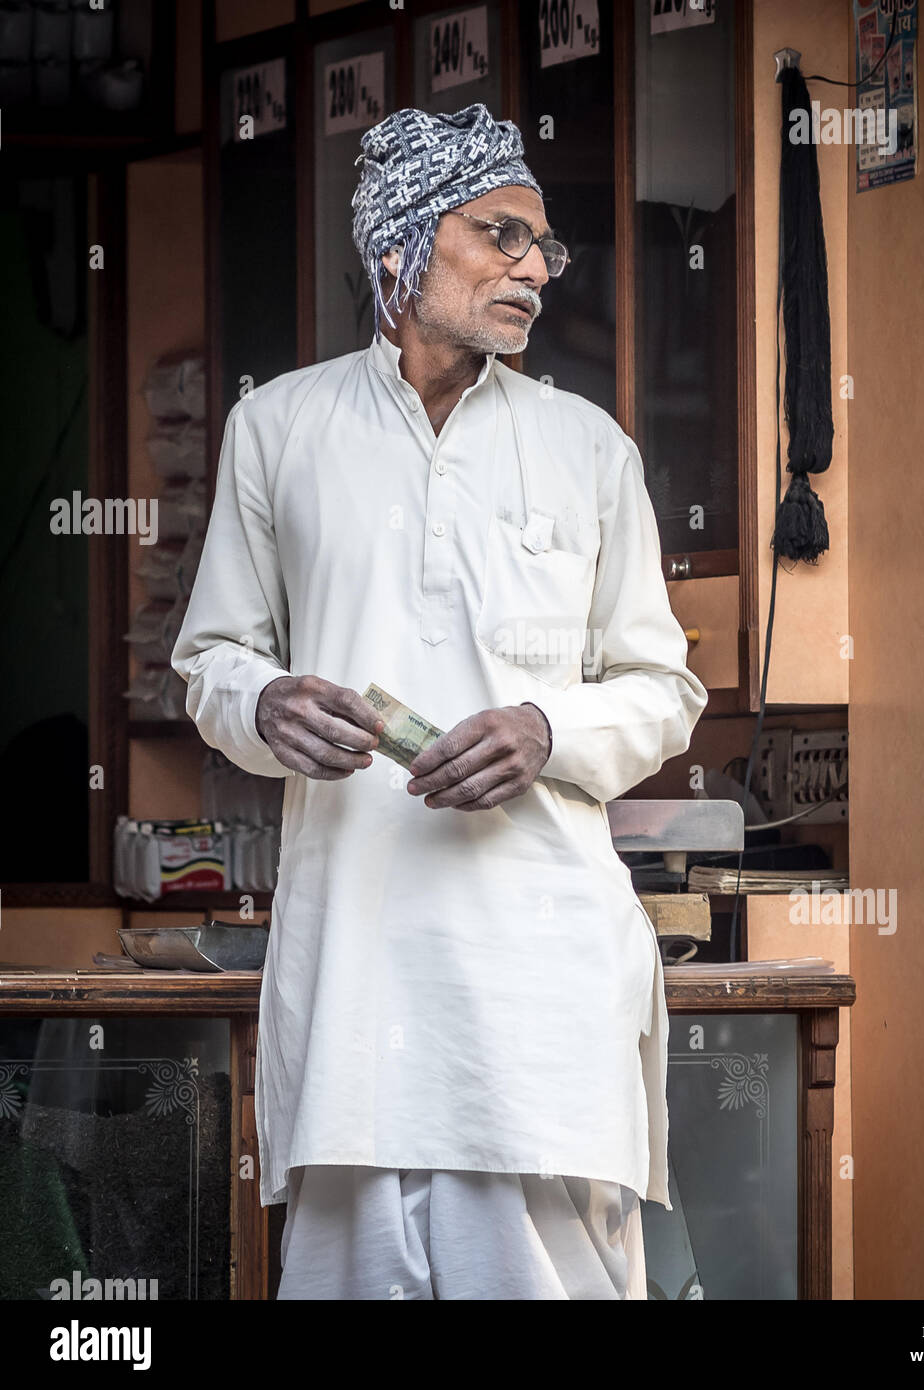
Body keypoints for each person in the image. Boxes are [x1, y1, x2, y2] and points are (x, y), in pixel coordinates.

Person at [172, 103, 707, 1300]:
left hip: (537, 977)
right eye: (500, 235)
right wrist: (263, 704)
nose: (533, 269)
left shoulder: (588, 448)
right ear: (400, 250)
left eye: (544, 249)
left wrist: (546, 729)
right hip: (354, 970)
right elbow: (209, 656)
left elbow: (665, 689)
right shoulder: (281, 429)